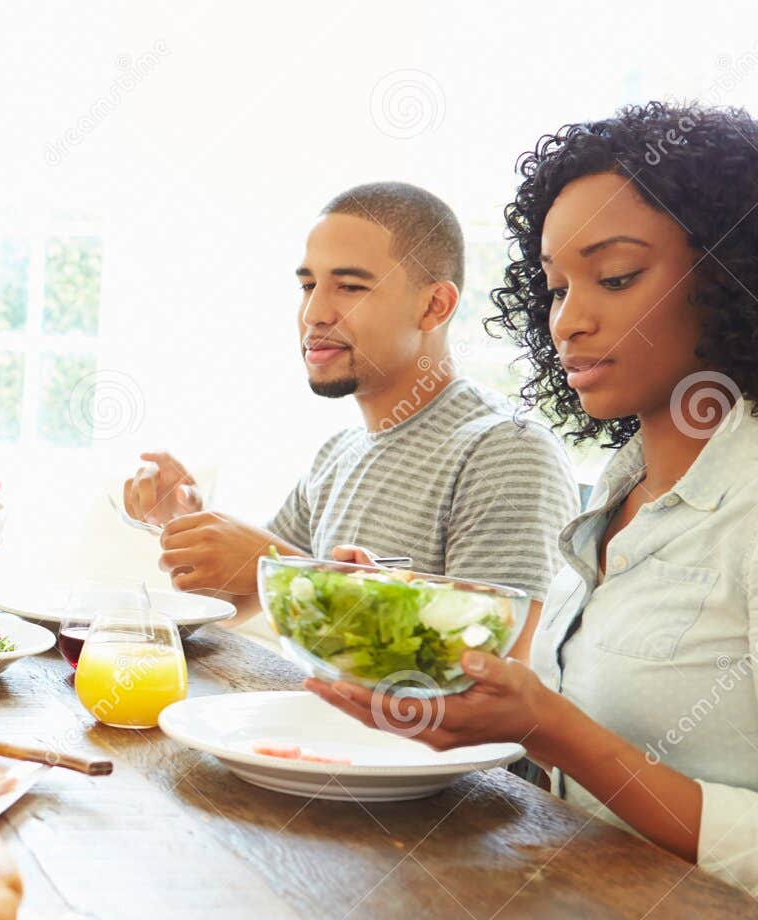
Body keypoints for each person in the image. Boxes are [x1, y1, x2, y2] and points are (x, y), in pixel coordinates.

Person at [309, 103, 758, 897]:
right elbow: (557, 717)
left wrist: (554, 730)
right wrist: (396, 614)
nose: (569, 321)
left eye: (615, 278)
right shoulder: (621, 491)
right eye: (553, 288)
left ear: (729, 273)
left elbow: (569, 734)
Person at [124, 182, 578, 658]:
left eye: (350, 287)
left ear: (434, 306)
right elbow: (233, 601)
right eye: (307, 286)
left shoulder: (507, 450)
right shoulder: (338, 455)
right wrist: (187, 523)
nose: (314, 312)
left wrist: (281, 569)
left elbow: (502, 662)